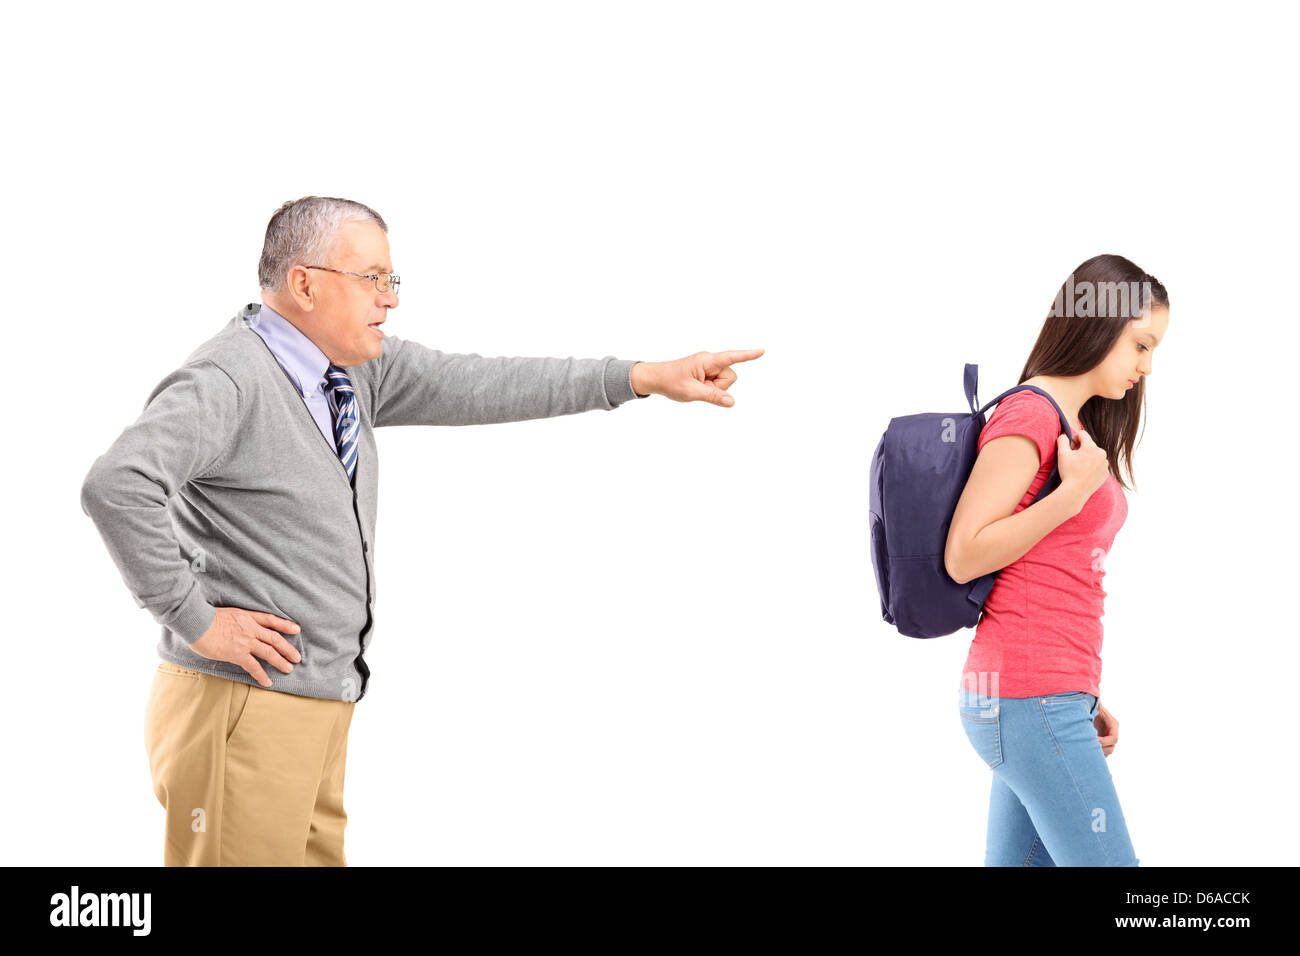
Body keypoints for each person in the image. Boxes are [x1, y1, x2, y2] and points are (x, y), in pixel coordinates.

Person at [79, 195, 764, 866]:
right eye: (373, 278)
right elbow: (117, 484)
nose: (392, 297)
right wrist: (193, 617)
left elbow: (485, 385)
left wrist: (643, 377)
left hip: (316, 704)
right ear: (304, 283)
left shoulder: (350, 372)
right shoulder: (231, 378)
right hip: (244, 708)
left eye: (391, 278)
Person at [944, 253, 1169, 866]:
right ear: (1096, 325)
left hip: (1038, 698)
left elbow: (1051, 573)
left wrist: (1082, 698)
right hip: (1025, 698)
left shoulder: (1070, 425)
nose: (1146, 368)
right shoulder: (1029, 414)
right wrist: (1071, 496)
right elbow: (965, 554)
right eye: (1140, 345)